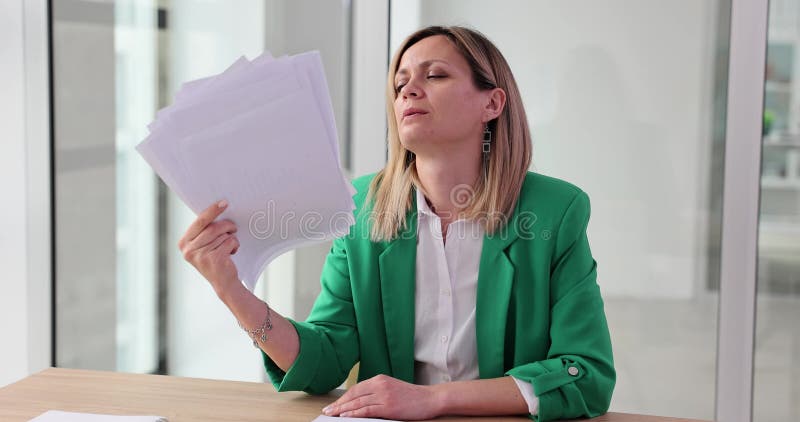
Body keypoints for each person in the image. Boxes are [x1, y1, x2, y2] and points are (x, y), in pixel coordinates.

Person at [178, 25, 615, 421]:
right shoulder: (361, 209)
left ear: (492, 102)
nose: (408, 90)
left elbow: (586, 373)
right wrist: (230, 290)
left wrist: (435, 399)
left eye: (435, 75)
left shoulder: (555, 211)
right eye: (400, 81)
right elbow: (325, 358)